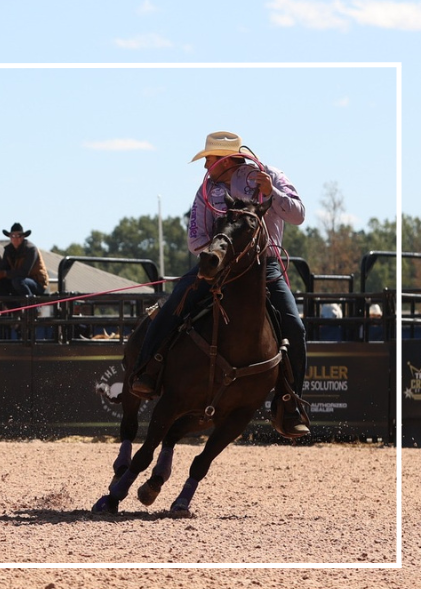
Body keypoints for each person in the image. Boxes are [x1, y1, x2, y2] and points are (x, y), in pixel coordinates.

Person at [129, 130, 309, 439]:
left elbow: (298, 215)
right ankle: (148, 369)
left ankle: (289, 403)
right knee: (175, 302)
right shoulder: (206, 191)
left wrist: (274, 194)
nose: (205, 167)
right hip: (218, 266)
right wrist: (218, 253)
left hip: (263, 267)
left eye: (209, 159)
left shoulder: (270, 176)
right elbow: (195, 239)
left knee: (294, 325)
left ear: (226, 159)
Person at [0, 222, 49, 304]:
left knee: (18, 281)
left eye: (18, 235)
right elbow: (3, 268)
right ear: (10, 237)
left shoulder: (31, 249)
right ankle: (15, 310)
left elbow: (24, 272)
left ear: (23, 237)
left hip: (37, 283)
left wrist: (4, 273)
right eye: (13, 236)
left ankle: (32, 310)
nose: (15, 238)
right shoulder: (8, 250)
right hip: (17, 281)